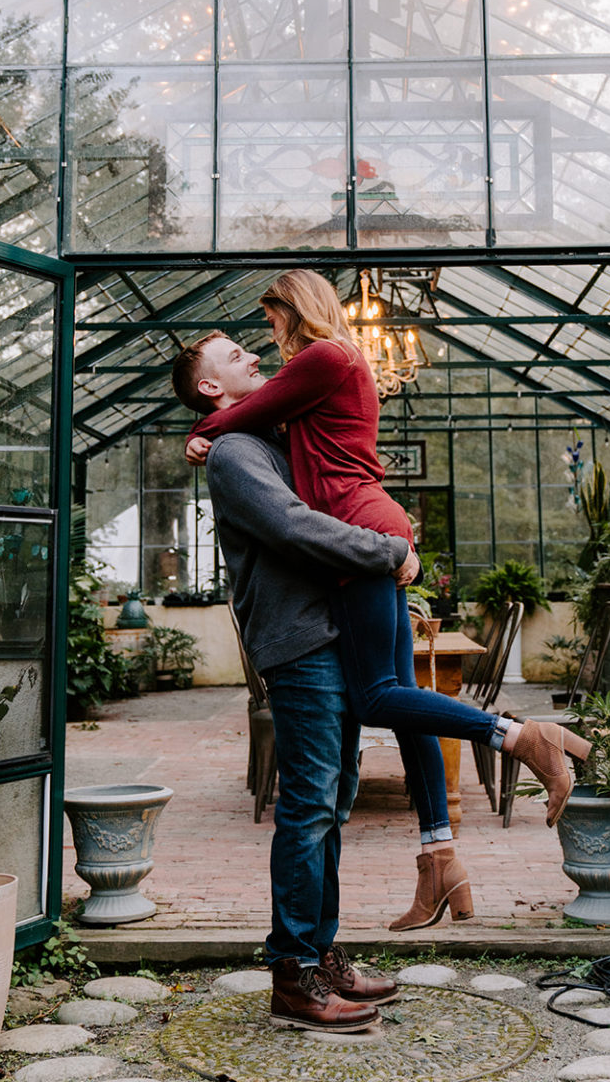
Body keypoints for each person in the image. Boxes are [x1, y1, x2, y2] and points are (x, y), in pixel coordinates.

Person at [181, 270, 590, 933]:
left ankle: (521, 736)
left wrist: (199, 433)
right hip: (369, 529)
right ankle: (438, 856)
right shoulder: (315, 381)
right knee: (402, 701)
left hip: (362, 534)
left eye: (270, 321)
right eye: (240, 351)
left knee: (377, 697)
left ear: (293, 309)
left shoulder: (324, 357)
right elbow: (269, 439)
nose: (264, 344)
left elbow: (241, 423)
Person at [171, 333, 415, 1033]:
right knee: (309, 807)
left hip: (326, 634)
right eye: (233, 355)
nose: (253, 356)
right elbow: (295, 527)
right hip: (298, 642)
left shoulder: (275, 435)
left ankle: (321, 952)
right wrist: (388, 550)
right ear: (211, 389)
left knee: (333, 801)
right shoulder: (237, 453)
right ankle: (292, 975)